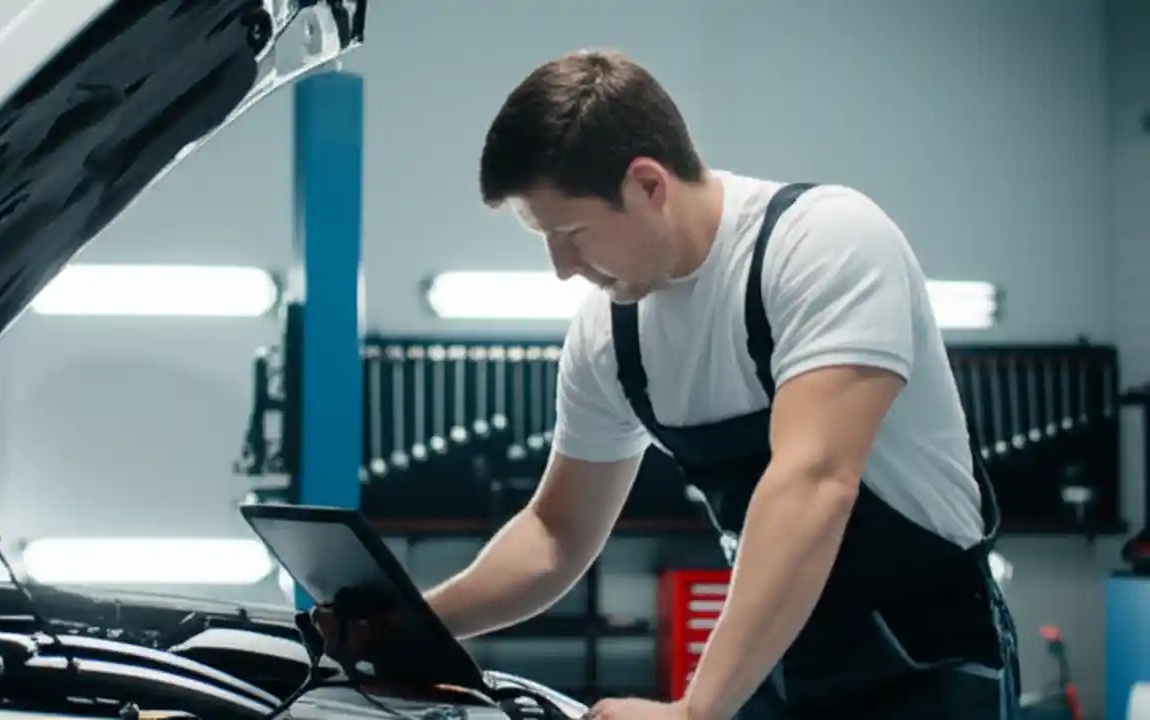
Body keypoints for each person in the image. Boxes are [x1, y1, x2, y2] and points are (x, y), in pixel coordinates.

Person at [420, 49, 1021, 719]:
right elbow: (556, 533)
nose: (562, 268)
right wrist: (416, 626)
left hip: (928, 668)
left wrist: (694, 712)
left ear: (649, 185)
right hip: (776, 659)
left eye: (573, 233)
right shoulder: (609, 334)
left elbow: (815, 482)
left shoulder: (824, 245)